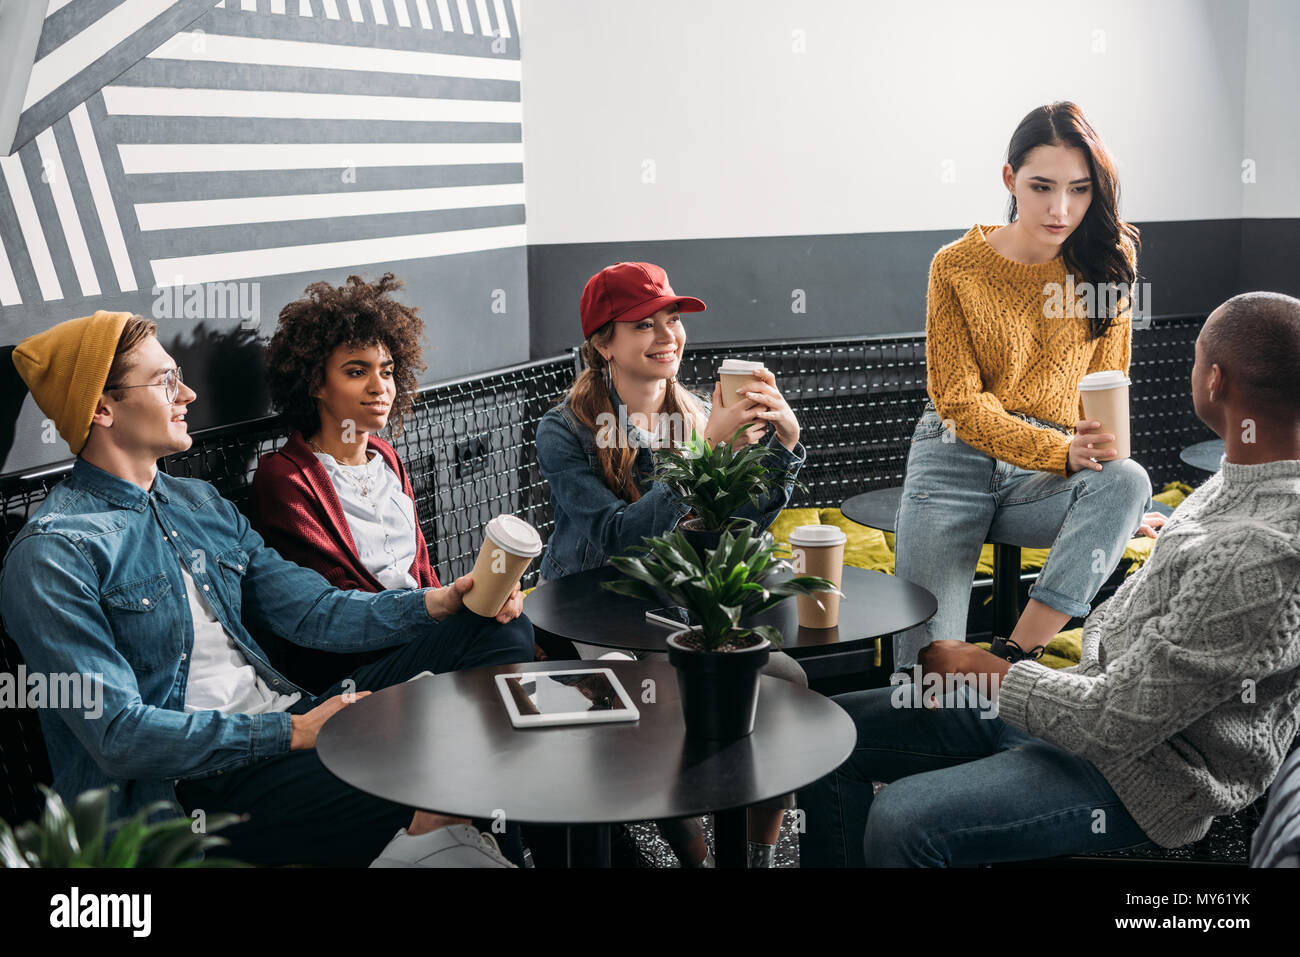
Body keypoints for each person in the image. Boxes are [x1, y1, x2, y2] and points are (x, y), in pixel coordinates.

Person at [0, 311, 535, 868]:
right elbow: (119, 734)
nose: (187, 392)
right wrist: (295, 732)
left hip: (294, 718)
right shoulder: (54, 553)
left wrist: (438, 603)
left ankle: (446, 839)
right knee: (446, 765)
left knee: (493, 621)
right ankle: (449, 838)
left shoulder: (198, 503)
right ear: (101, 408)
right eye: (163, 381)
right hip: (200, 788)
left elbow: (313, 610)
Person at [799, 291, 1300, 867]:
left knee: (905, 819)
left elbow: (1116, 722)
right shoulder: (1232, 484)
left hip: (1147, 776)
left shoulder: (1259, 550)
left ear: (1213, 379)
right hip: (1074, 702)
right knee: (830, 736)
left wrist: (995, 672)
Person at [535, 261, 808, 868]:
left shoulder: (695, 414)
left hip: (675, 611)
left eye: (672, 320)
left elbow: (737, 527)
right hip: (590, 611)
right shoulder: (563, 431)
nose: (668, 337)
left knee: (785, 684)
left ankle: (758, 857)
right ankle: (696, 858)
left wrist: (782, 450)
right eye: (643, 325)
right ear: (603, 342)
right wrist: (706, 450)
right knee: (651, 704)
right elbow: (614, 540)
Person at [892, 102, 1155, 669]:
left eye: (1080, 189)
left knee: (1130, 480)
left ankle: (1013, 656)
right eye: (1042, 187)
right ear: (1010, 179)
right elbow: (958, 402)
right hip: (952, 460)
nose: (1061, 209)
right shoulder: (956, 266)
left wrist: (1117, 501)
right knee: (923, 674)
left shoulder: (1109, 261)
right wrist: (1061, 452)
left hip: (1046, 473)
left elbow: (1104, 389)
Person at [248, 273, 528, 692]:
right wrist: (445, 611)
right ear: (315, 384)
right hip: (355, 666)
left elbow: (421, 573)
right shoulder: (285, 476)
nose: (380, 387)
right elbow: (331, 604)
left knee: (508, 618)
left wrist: (480, 597)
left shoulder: (386, 459)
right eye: (357, 371)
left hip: (422, 631)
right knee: (504, 634)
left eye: (388, 370)